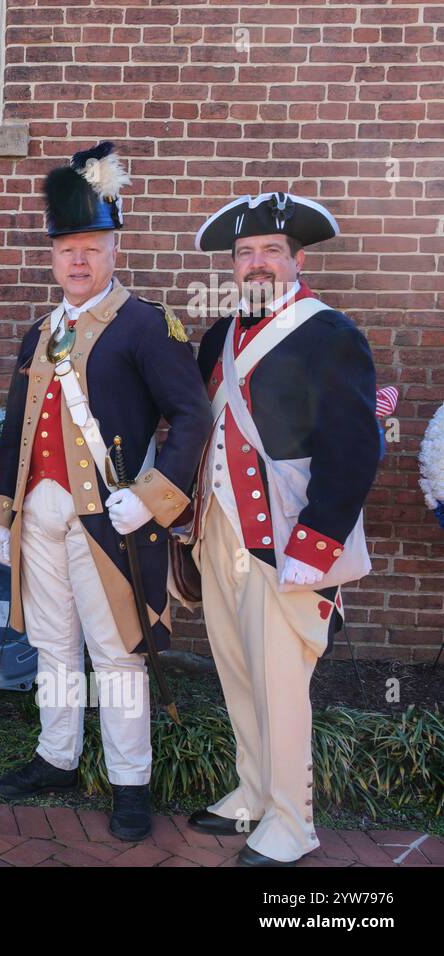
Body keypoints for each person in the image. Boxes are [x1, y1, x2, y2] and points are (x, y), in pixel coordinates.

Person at [0, 143, 211, 841]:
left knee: (117, 653)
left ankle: (130, 782)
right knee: (54, 646)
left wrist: (153, 495)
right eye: (66, 250)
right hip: (40, 515)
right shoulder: (39, 333)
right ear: (52, 258)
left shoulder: (146, 323)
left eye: (91, 248)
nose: (77, 262)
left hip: (110, 520)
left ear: (114, 249)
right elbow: (19, 427)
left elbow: (193, 415)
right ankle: (57, 754)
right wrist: (1, 512)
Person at [188, 192, 379, 866]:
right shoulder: (219, 335)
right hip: (220, 533)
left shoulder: (331, 333)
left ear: (297, 259)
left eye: (271, 250)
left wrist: (317, 543)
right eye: (245, 253)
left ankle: (293, 822)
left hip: (286, 537)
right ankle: (251, 794)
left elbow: (355, 447)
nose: (257, 263)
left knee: (282, 684)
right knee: (239, 673)